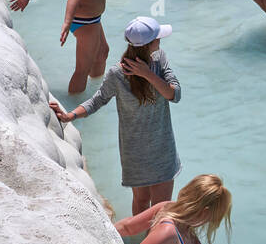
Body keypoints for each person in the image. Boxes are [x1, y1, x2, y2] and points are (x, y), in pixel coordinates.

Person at [52, 17, 180, 214]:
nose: (160, 41)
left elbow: (174, 94)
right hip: (134, 152)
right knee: (141, 202)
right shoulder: (117, 74)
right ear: (147, 45)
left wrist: (147, 74)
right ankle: (143, 243)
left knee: (161, 209)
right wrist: (70, 115)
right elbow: (97, 100)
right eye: (157, 38)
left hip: (162, 149)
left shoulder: (160, 60)